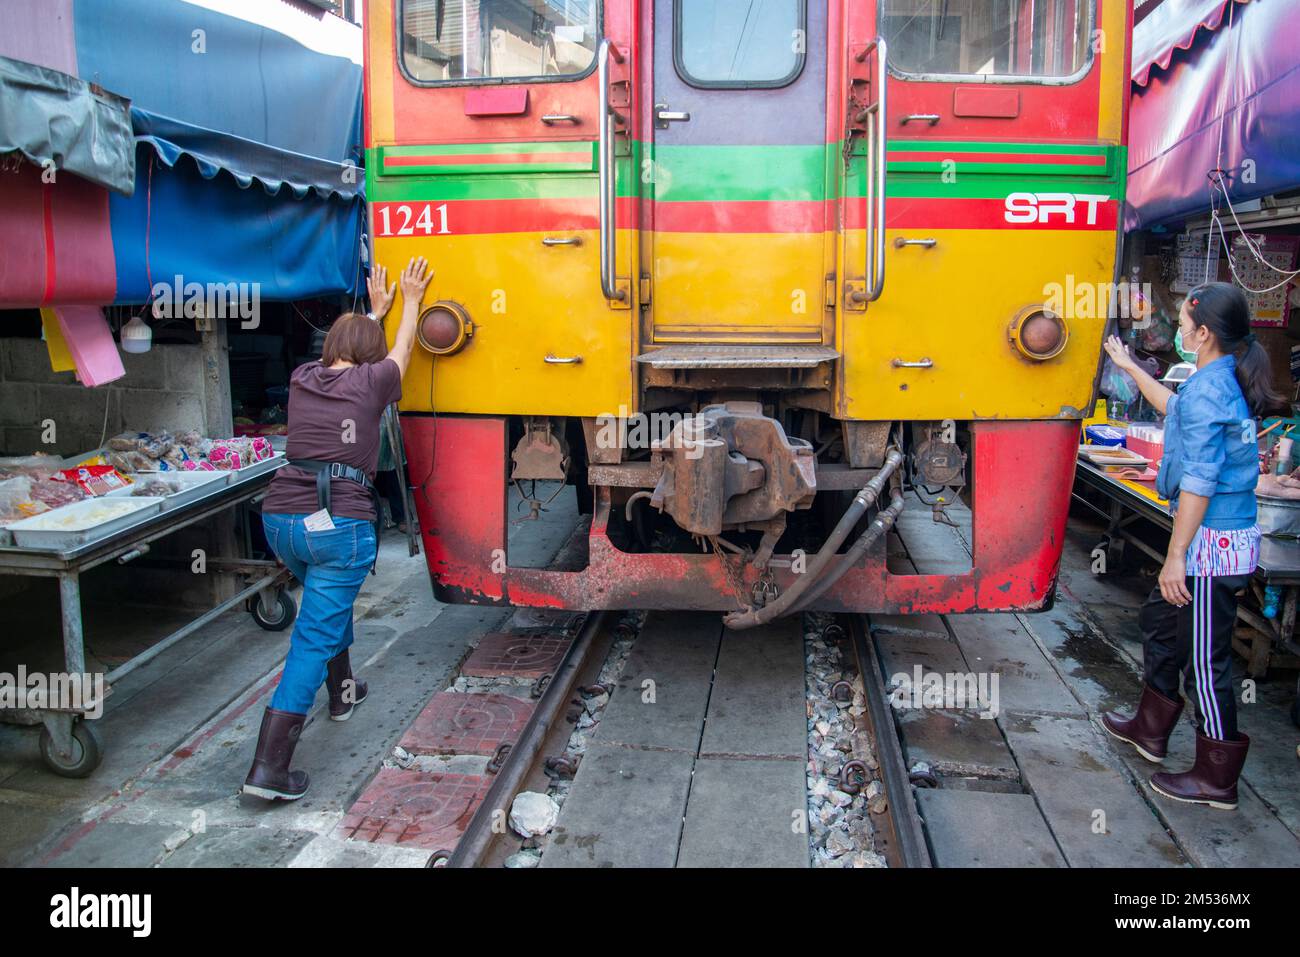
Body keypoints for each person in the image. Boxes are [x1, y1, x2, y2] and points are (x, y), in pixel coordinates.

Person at [243, 257, 431, 801]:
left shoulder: (302, 380)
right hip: (339, 527)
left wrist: (372, 311)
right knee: (313, 635)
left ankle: (343, 692)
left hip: (281, 523)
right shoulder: (375, 384)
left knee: (328, 607)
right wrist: (411, 302)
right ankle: (268, 771)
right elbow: (400, 352)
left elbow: (351, 352)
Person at [1100, 281, 1288, 810]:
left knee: (1204, 662)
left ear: (1204, 333)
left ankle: (1216, 779)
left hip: (1212, 544)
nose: (1179, 332)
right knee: (1161, 623)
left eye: (1183, 326)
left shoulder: (1214, 388)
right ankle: (1150, 728)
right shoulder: (1217, 378)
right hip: (1209, 538)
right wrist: (1131, 364)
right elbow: (1174, 408)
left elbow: (1202, 480)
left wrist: (1176, 557)